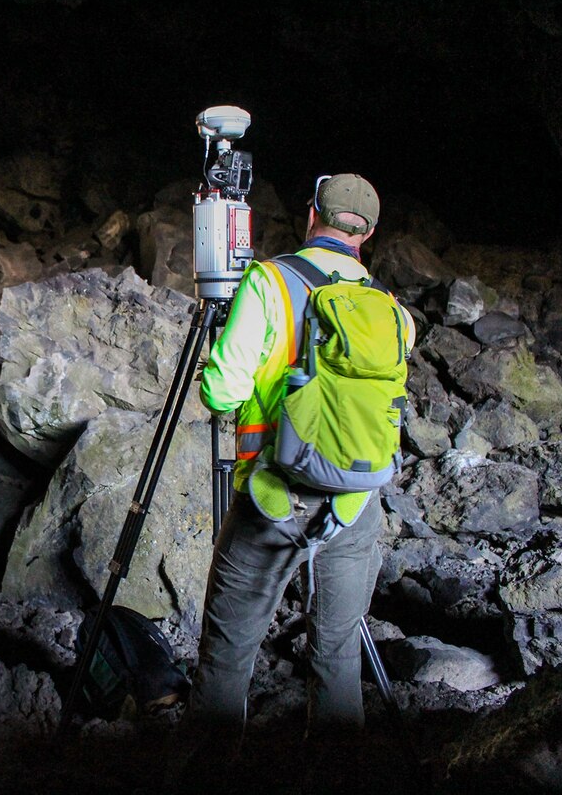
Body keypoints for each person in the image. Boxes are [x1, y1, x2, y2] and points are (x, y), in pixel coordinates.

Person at [188, 174, 416, 743]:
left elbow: (222, 393)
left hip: (274, 495)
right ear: (367, 234)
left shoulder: (270, 283)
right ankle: (338, 773)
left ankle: (210, 774)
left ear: (311, 213)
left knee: (228, 650)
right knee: (337, 649)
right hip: (356, 502)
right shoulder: (392, 311)